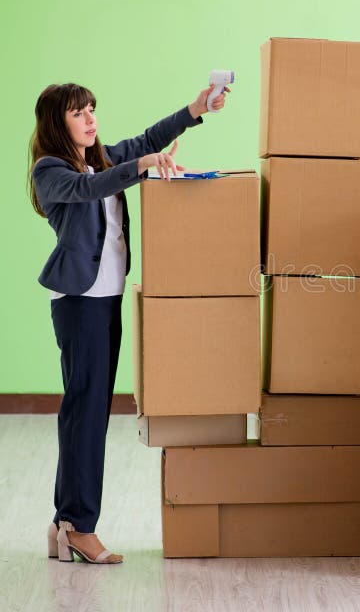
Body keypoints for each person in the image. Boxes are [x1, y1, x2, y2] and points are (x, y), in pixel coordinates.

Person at [29, 80, 230, 564]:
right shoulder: (51, 171)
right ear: (58, 124)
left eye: (93, 109)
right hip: (80, 302)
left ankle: (64, 523)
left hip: (106, 299)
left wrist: (193, 109)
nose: (91, 119)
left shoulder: (99, 158)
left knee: (86, 410)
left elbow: (143, 144)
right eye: (79, 113)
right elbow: (90, 187)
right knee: (87, 413)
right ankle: (80, 526)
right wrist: (138, 168)